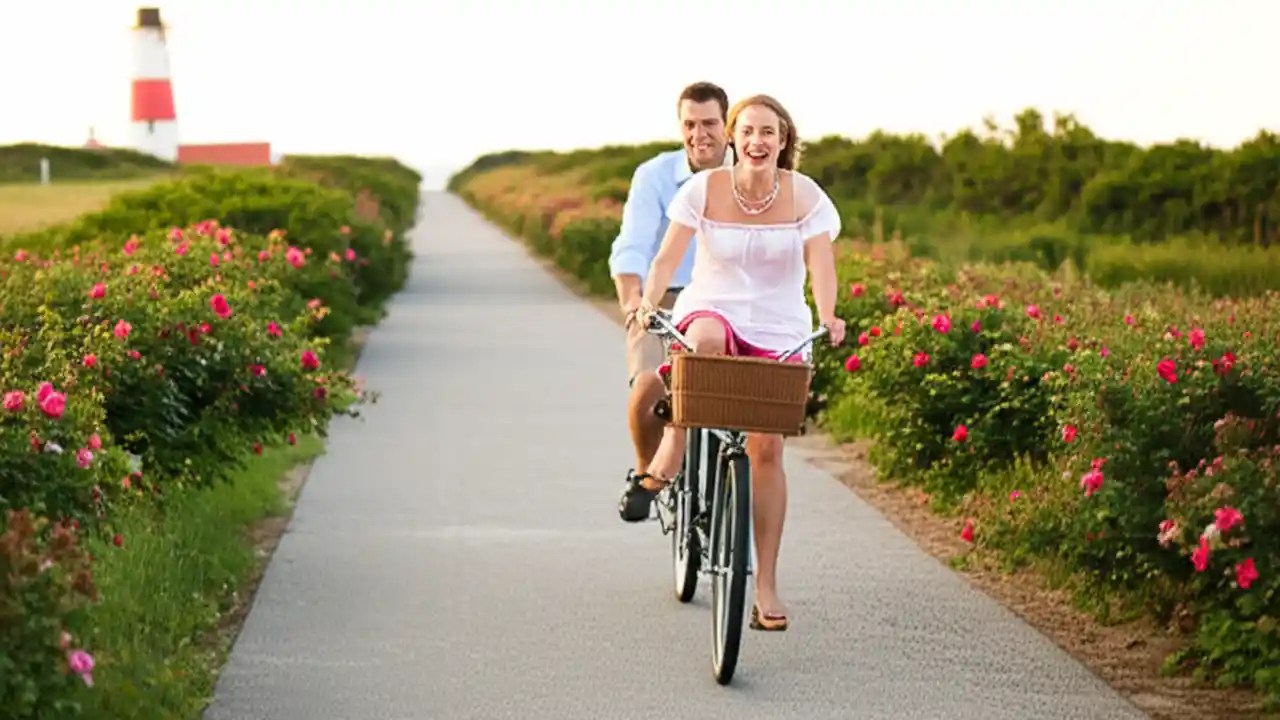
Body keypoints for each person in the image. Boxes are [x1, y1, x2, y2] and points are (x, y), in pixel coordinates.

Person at [618, 94, 846, 632]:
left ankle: (764, 584)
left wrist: (831, 315)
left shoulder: (805, 196)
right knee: (703, 341)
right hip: (713, 308)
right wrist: (650, 301)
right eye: (747, 132)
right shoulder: (704, 189)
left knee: (767, 448)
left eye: (769, 132)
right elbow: (667, 257)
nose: (757, 142)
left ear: (783, 140)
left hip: (778, 321)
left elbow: (821, 263)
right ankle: (675, 440)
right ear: (733, 139)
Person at [608, 81, 733, 496]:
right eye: (690, 125)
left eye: (710, 124)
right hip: (664, 302)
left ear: (729, 125)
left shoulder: (754, 172)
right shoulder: (655, 176)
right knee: (649, 389)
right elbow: (632, 249)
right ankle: (650, 478)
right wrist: (634, 306)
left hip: (735, 304)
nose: (700, 135)